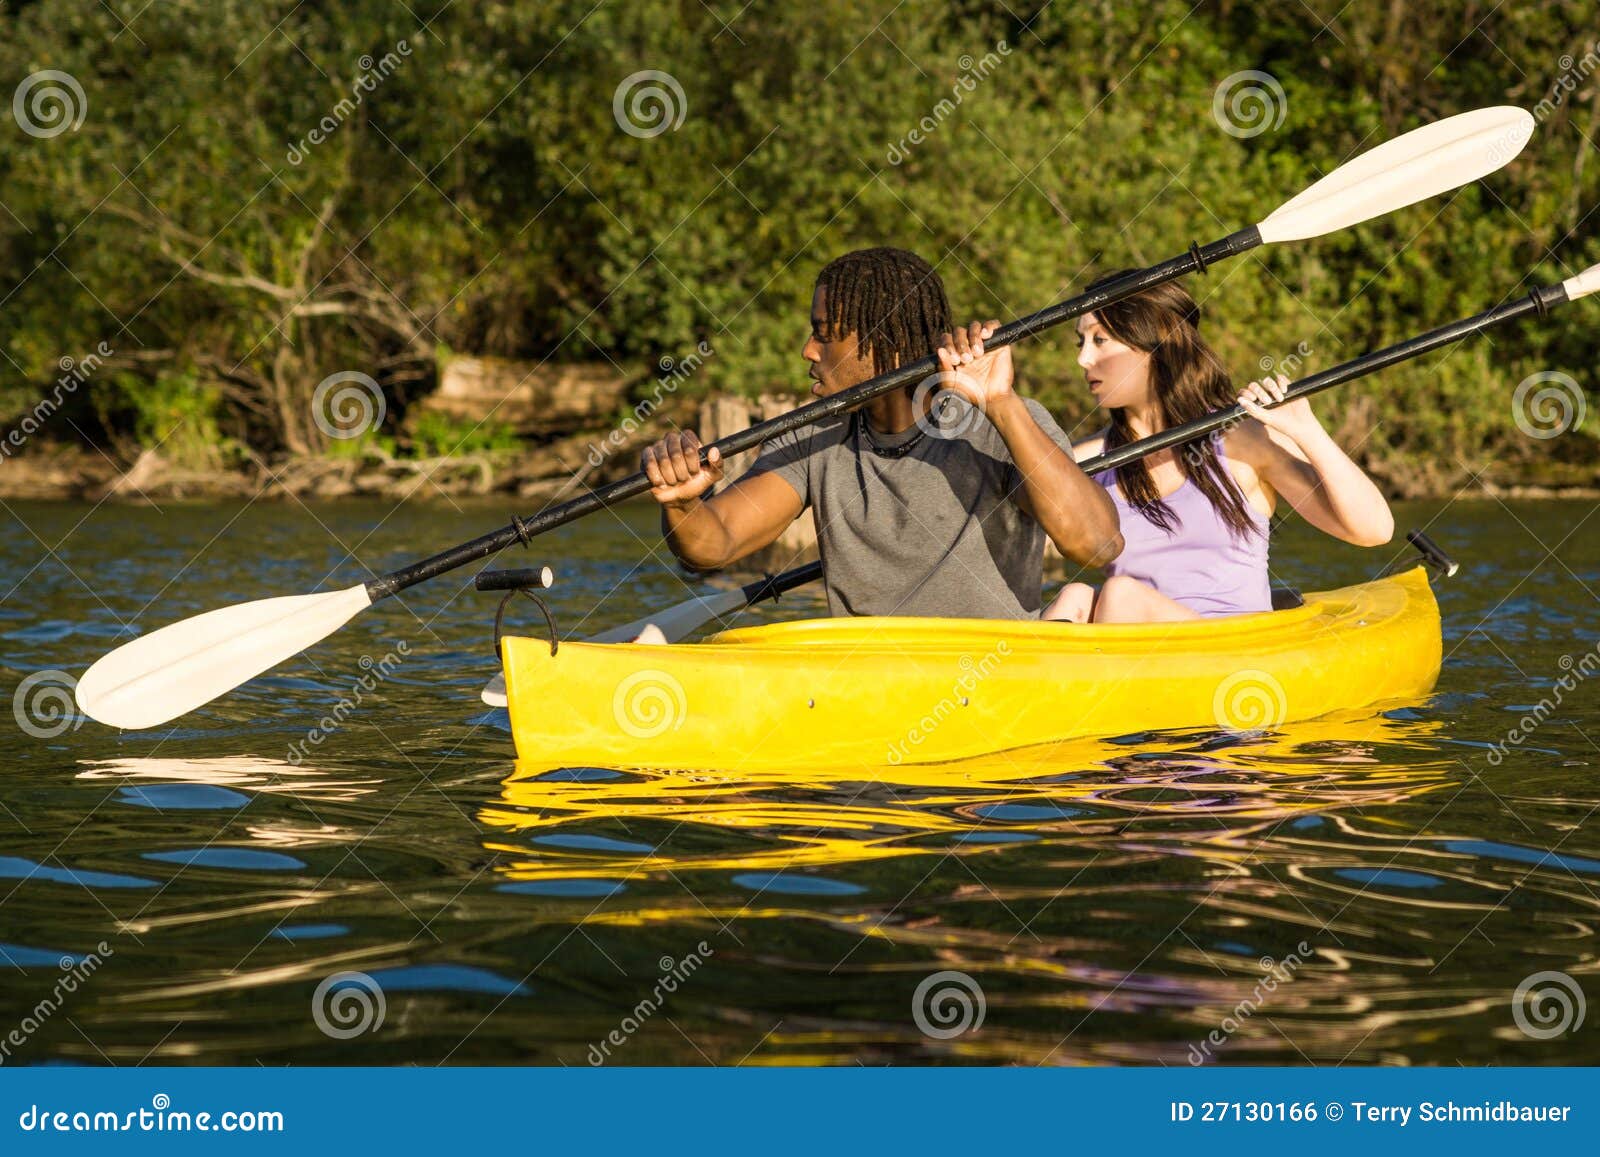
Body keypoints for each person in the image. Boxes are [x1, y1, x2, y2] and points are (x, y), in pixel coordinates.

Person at [639, 247, 1122, 620]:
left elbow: (1097, 544)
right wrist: (682, 503)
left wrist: (1002, 404)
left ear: (882, 343)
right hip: (868, 691)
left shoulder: (1006, 423)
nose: (808, 350)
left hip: (990, 684)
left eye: (824, 333)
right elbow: (713, 544)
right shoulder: (815, 434)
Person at [1043, 275, 1393, 623]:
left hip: (1235, 655)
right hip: (1133, 649)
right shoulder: (1086, 462)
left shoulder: (1246, 440)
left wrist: (1308, 431)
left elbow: (1374, 530)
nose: (1084, 359)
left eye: (1100, 340)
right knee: (1074, 596)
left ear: (1156, 345)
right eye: (1081, 342)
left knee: (1121, 594)